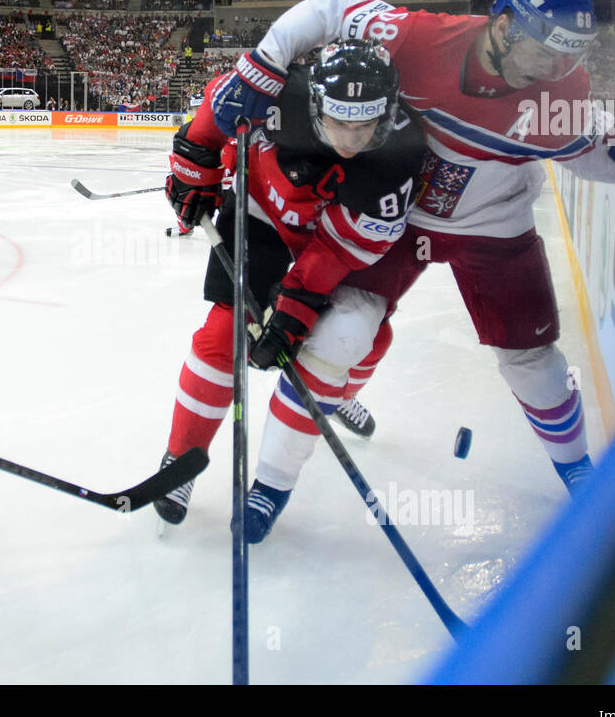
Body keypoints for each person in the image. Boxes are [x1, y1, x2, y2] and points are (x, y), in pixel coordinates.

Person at [207, 0, 615, 535]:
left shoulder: (562, 90)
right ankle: (270, 483)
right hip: (398, 217)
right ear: (504, 27)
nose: (558, 67)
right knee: (342, 332)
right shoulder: (422, 39)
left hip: (495, 225)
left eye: (568, 53)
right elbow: (328, 6)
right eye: (546, 50)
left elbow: (589, 151)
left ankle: (578, 470)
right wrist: (263, 64)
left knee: (532, 362)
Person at [154, 40, 427, 541]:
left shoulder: (398, 160)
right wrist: (196, 170)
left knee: (355, 340)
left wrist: (292, 315)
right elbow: (217, 107)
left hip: (335, 238)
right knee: (223, 336)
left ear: (386, 115)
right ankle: (183, 459)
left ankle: (325, 407)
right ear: (316, 103)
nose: (350, 138)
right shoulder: (275, 93)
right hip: (264, 215)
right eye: (339, 122)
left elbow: (336, 253)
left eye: (364, 126)